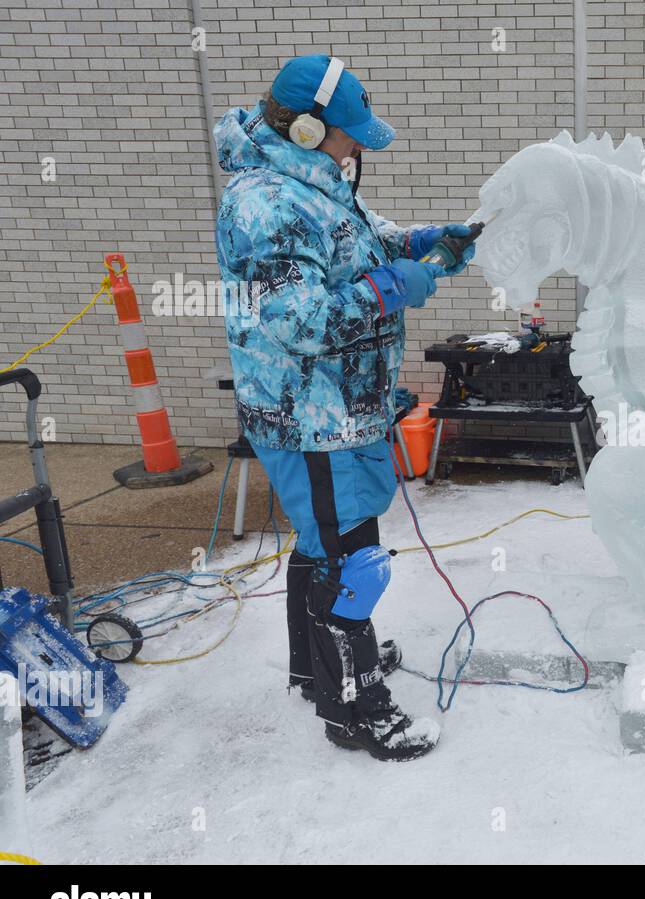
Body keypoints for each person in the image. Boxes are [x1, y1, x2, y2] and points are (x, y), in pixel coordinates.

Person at [213, 54, 475, 761]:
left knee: (321, 544)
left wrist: (423, 245)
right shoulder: (264, 203)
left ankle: (315, 669)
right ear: (304, 129)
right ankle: (357, 711)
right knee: (355, 563)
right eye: (349, 133)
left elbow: (354, 242)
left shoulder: (311, 184)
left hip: (336, 408)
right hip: (310, 417)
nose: (359, 145)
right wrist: (396, 286)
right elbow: (300, 321)